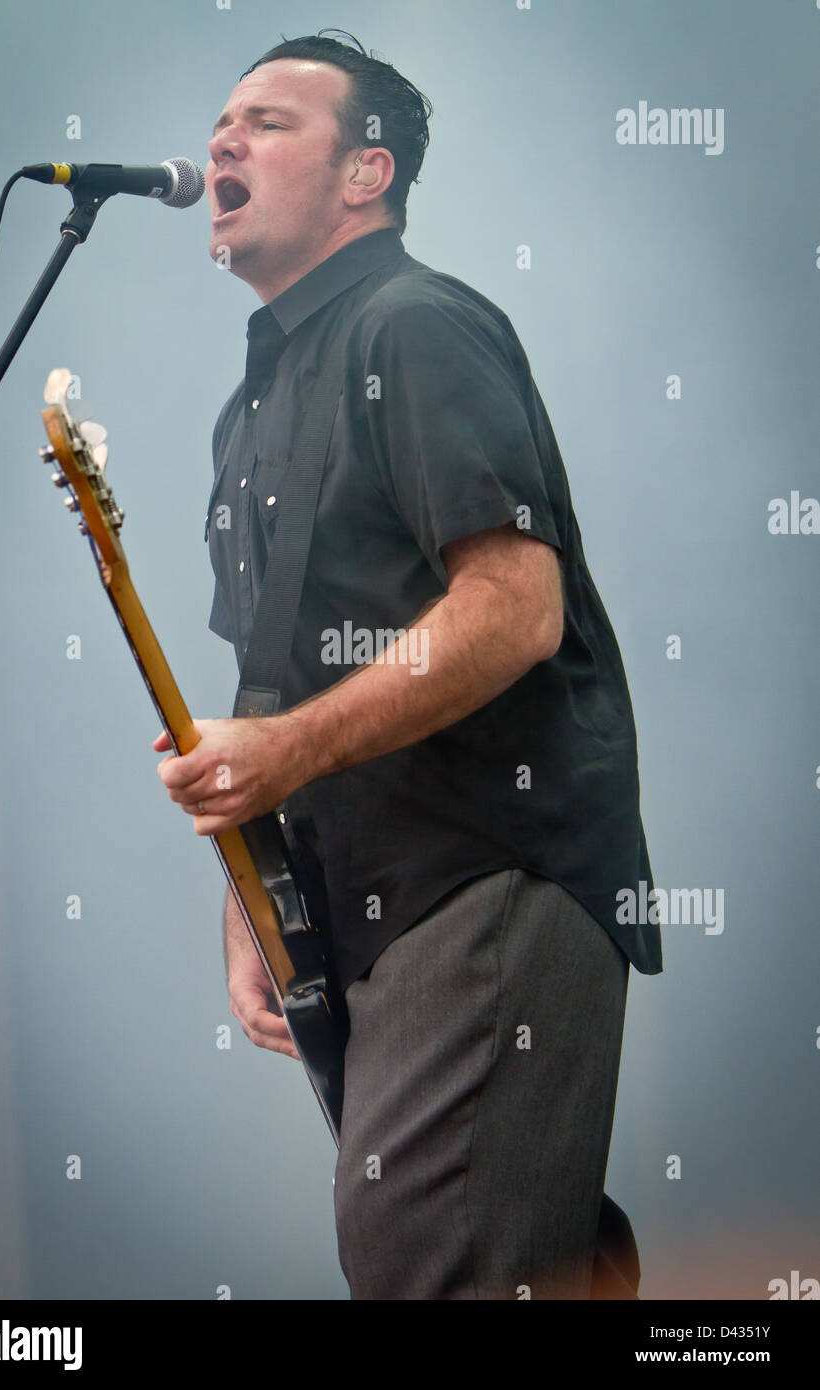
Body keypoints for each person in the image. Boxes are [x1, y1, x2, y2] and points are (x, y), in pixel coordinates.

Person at [153, 29, 663, 1300]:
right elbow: (266, 697)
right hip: (362, 911)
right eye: (222, 121)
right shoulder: (251, 404)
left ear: (365, 174)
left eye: (268, 122)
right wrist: (248, 897)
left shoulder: (415, 325)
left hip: (482, 872)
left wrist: (280, 751)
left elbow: (514, 607)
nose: (224, 140)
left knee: (432, 1268)